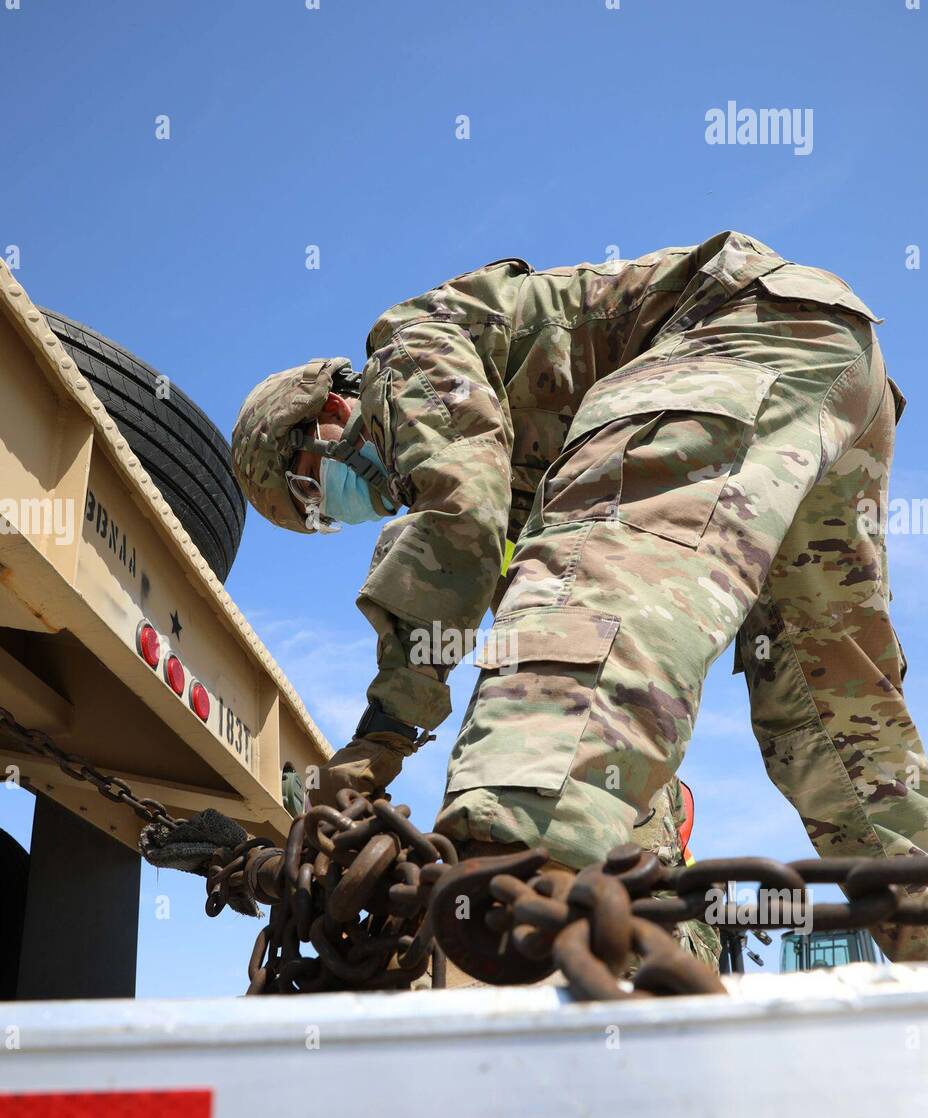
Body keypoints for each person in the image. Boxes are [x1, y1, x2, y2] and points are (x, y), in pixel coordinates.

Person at [232, 231, 928, 965]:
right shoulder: (513, 475)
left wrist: (387, 739)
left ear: (328, 411)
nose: (338, 512)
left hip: (739, 327)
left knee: (588, 561)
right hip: (827, 368)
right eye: (322, 521)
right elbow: (506, 588)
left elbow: (465, 519)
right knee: (825, 708)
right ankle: (917, 915)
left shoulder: (404, 350)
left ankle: (514, 844)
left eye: (314, 488)